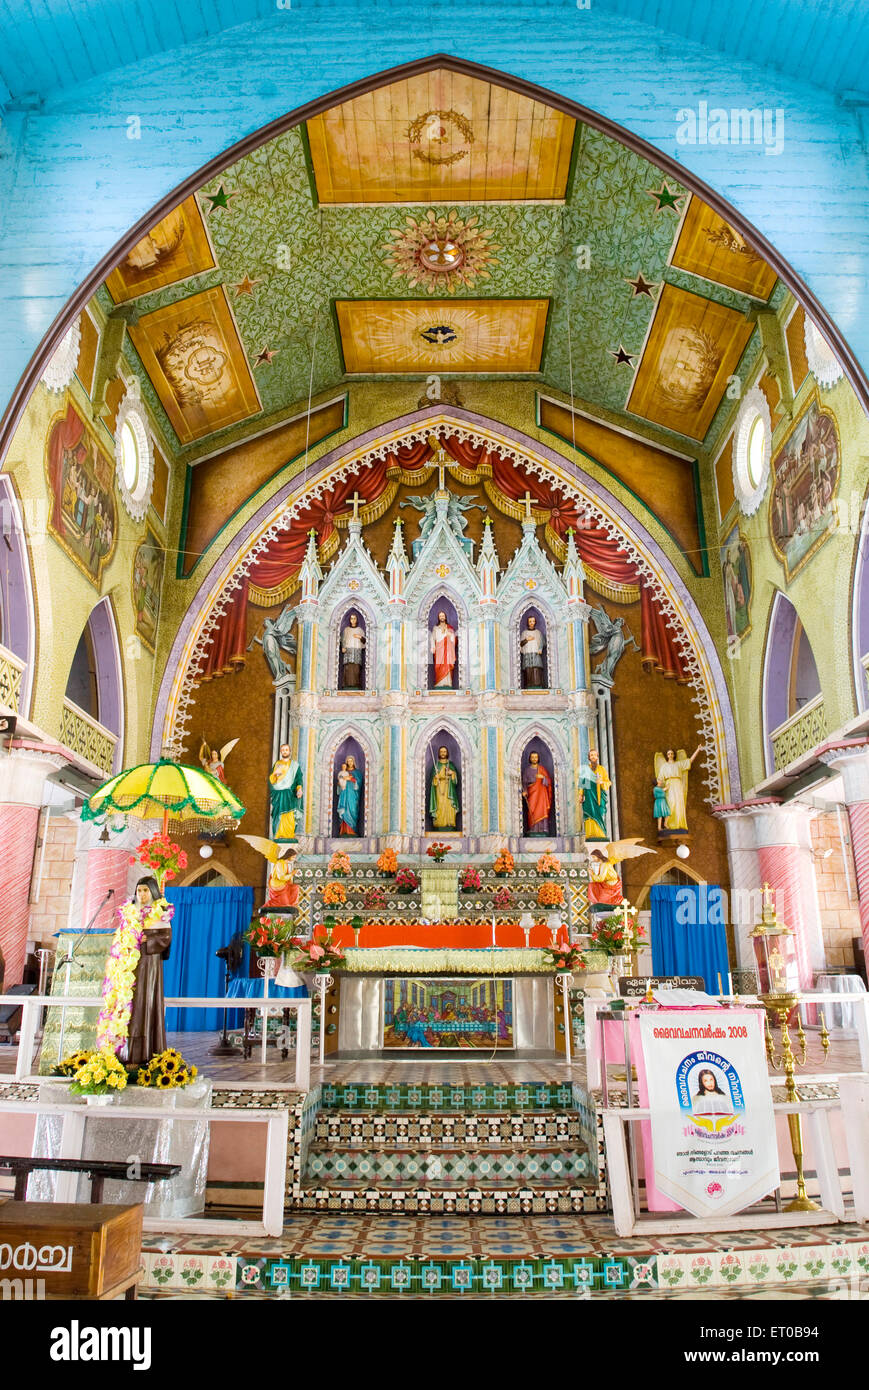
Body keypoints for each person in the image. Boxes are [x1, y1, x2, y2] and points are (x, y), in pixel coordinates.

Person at [97, 876, 173, 1068]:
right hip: (126, 967)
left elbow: (166, 939)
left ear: (153, 892)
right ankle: (122, 1051)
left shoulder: (160, 913)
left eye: (146, 890)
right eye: (139, 890)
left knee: (142, 1005)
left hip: (148, 965)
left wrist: (149, 941)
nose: (142, 894)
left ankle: (145, 1051)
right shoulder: (130, 913)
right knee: (126, 1006)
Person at [655, 747, 701, 833]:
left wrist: (697, 750)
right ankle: (668, 824)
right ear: (667, 756)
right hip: (669, 785)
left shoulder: (678, 764)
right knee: (670, 804)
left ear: (674, 755)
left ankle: (679, 824)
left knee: (679, 804)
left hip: (678, 785)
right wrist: (660, 790)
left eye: (672, 753)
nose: (670, 755)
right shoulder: (664, 766)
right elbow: (659, 779)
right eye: (669, 754)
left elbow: (689, 761)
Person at [270, 743, 303, 840]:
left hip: (290, 794)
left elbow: (299, 778)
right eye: (283, 750)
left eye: (286, 749)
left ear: (290, 751)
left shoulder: (295, 765)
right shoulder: (277, 764)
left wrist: (299, 789)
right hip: (279, 794)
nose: (284, 751)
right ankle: (278, 835)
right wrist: (275, 774)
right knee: (278, 814)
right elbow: (272, 780)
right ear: (280, 752)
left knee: (290, 815)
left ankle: (288, 836)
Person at [579, 749, 611, 841]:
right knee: (589, 813)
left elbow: (608, 782)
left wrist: (601, 782)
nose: (593, 756)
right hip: (589, 795)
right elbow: (582, 784)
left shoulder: (602, 769)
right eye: (591, 755)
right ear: (589, 757)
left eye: (594, 755)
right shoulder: (585, 770)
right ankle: (590, 834)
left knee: (600, 813)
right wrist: (580, 794)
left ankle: (600, 834)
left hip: (599, 795)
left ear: (597, 757)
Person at [429, 745, 459, 829]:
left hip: (449, 789)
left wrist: (452, 773)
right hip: (439, 789)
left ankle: (450, 823)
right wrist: (436, 777)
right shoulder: (436, 765)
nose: (443, 753)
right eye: (441, 752)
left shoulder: (451, 764)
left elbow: (456, 780)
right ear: (439, 753)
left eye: (444, 752)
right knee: (440, 805)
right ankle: (439, 824)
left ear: (447, 753)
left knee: (449, 805)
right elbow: (432, 778)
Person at [522, 750, 553, 834]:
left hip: (541, 794)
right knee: (532, 810)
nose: (534, 759)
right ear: (530, 758)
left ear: (538, 758)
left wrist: (543, 778)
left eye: (536, 757)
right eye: (532, 757)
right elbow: (524, 783)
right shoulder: (527, 770)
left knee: (542, 809)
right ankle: (533, 829)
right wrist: (525, 791)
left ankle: (543, 829)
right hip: (532, 793)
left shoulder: (542, 769)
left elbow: (549, 782)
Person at [336, 753, 364, 836]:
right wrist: (340, 782)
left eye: (351, 761)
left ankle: (352, 831)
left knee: (352, 810)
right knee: (344, 810)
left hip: (353, 795)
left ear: (354, 762)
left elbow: (358, 782)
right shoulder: (343, 772)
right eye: (348, 761)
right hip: (344, 794)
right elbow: (339, 782)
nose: (350, 763)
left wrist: (350, 778)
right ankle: (343, 831)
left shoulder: (357, 772)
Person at [430, 610, 457, 689]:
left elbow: (453, 638)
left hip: (448, 650)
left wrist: (450, 635)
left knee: (447, 664)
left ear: (445, 617)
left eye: (443, 616)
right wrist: (433, 646)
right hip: (439, 649)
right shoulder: (436, 628)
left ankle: (448, 683)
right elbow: (432, 638)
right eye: (440, 616)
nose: (442, 617)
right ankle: (439, 683)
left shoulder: (449, 627)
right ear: (439, 618)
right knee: (439, 665)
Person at [519, 614, 546, 688]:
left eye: (533, 621)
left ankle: (538, 686)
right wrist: (527, 639)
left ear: (535, 622)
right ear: (528, 622)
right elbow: (520, 644)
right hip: (527, 653)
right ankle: (528, 686)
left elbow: (542, 642)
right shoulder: (524, 633)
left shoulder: (538, 632)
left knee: (536, 669)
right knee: (528, 670)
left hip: (536, 653)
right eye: (530, 621)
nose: (531, 623)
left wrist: (540, 648)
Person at [340, 612, 365, 689]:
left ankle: (356, 685)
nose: (353, 620)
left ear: (357, 620)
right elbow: (343, 640)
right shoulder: (346, 630)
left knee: (356, 669)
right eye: (351, 618)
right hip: (348, 651)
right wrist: (343, 647)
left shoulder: (360, 630)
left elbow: (365, 641)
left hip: (357, 651)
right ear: (349, 620)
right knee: (348, 668)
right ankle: (347, 685)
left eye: (354, 618)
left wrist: (359, 637)